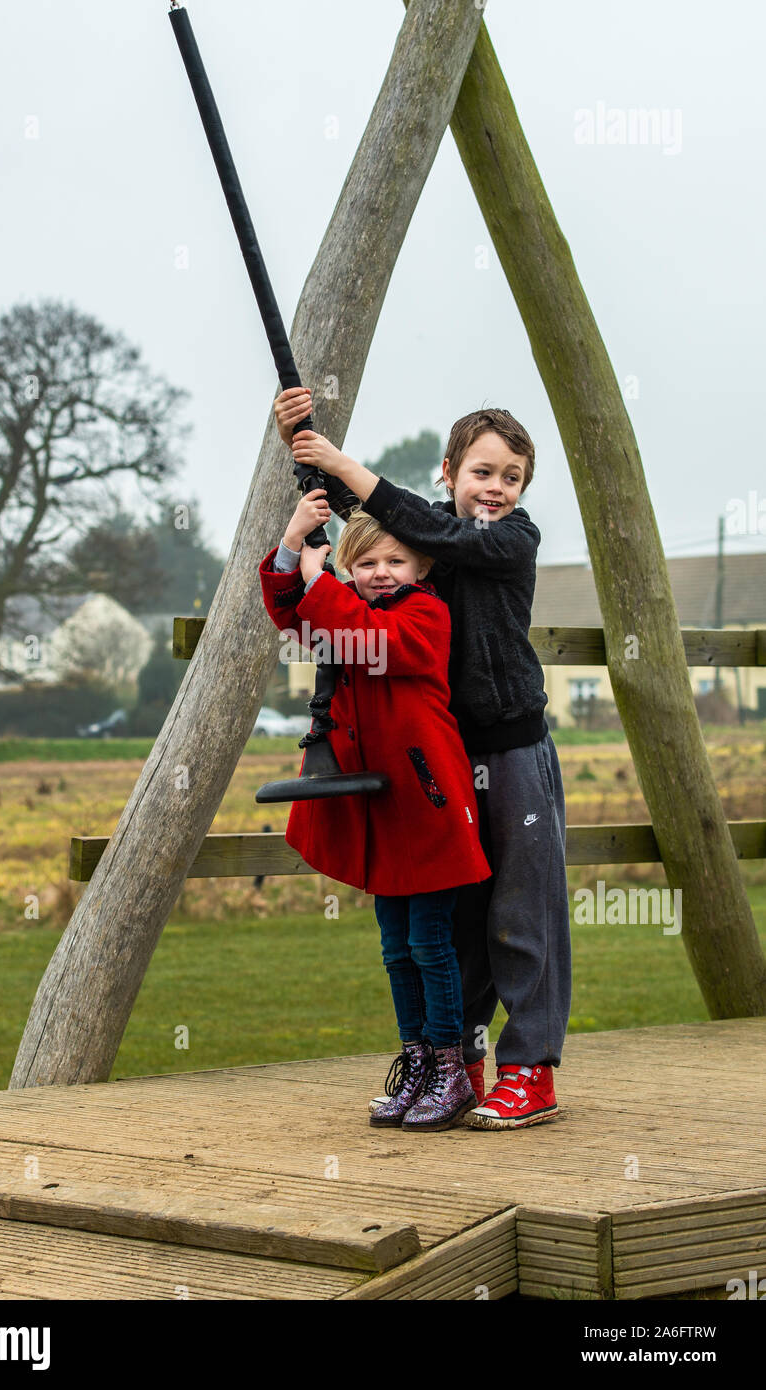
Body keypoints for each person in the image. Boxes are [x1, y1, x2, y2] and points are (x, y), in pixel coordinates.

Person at [273, 388, 570, 1130]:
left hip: (511, 750)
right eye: (481, 472)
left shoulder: (510, 540)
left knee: (520, 913)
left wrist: (339, 461)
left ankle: (530, 1068)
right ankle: (456, 1057)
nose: (494, 488)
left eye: (510, 476)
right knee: (456, 918)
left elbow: (408, 520)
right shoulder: (419, 542)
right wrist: (302, 446)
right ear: (448, 472)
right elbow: (367, 520)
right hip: (439, 761)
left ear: (523, 489)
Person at [258, 487, 491, 1131]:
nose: (380, 574)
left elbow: (370, 640)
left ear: (421, 568)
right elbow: (293, 617)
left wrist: (321, 579)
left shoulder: (421, 618)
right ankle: (416, 1060)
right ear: (351, 571)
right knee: (395, 947)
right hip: (378, 808)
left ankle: (449, 1068)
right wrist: (294, 543)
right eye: (365, 565)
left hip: (427, 803)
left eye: (394, 562)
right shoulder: (347, 614)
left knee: (429, 942)